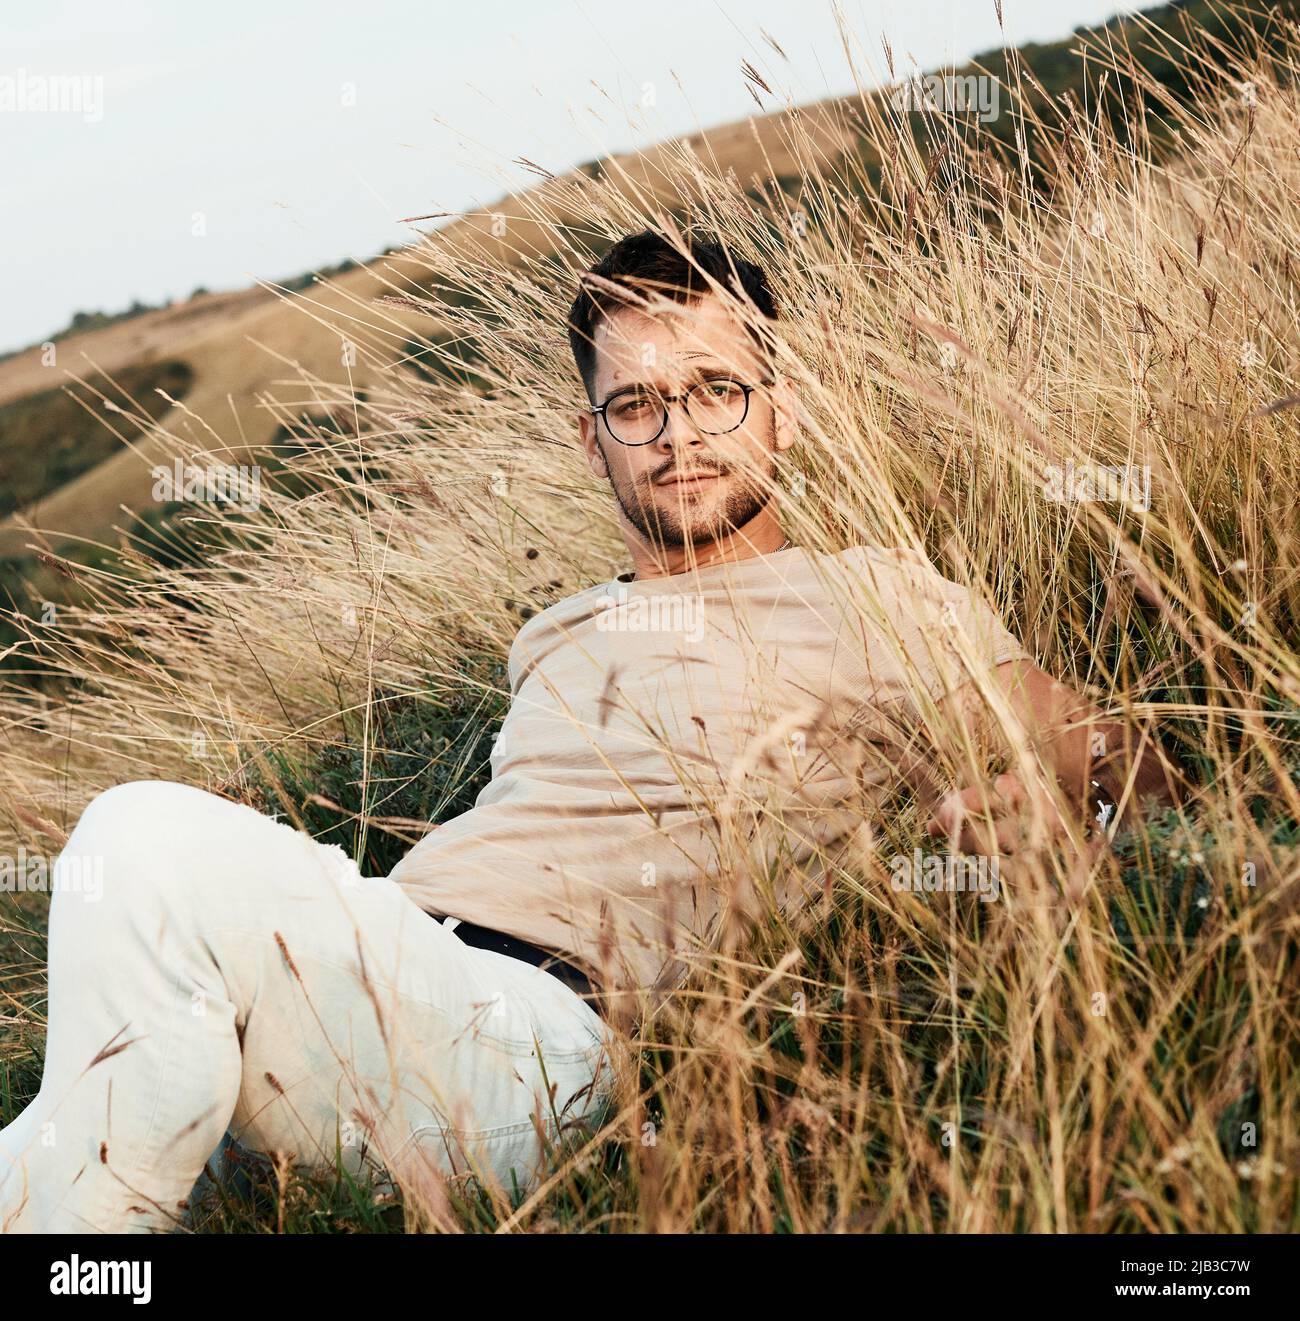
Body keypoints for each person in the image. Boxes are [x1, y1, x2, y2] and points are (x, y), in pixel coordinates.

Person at [0, 229, 1179, 1233]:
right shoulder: (555, 629)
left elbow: (1121, 759)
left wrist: (1044, 803)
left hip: (540, 1048)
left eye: (719, 389)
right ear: (592, 439)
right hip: (377, 976)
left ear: (786, 410)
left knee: (138, 831)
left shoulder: (882, 596)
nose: (680, 431)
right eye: (636, 404)